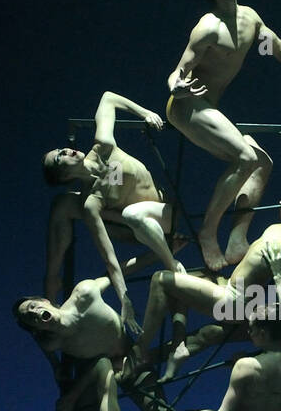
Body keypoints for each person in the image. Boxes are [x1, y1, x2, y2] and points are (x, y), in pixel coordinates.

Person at [166, 0, 281, 271]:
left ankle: (237, 237)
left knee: (261, 163)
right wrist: (176, 87)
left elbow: (279, 51)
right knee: (246, 156)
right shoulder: (208, 28)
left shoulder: (251, 19)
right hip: (185, 106)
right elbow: (177, 71)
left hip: (209, 108)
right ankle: (208, 232)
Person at [132, 204, 281, 366]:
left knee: (161, 280)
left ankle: (140, 352)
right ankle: (178, 347)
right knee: (182, 277)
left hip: (235, 302)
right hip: (230, 287)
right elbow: (272, 245)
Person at [42, 91, 183, 331]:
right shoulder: (91, 202)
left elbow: (108, 98)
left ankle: (168, 259)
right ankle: (173, 265)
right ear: (65, 175)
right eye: (59, 158)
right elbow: (109, 258)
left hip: (166, 213)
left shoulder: (104, 147)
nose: (66, 150)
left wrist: (145, 113)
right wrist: (124, 299)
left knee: (128, 214)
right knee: (111, 213)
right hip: (141, 228)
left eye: (61, 149)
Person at [13, 278, 129, 366]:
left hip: (133, 346)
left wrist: (146, 259)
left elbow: (111, 274)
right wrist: (56, 367)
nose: (34, 312)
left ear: (45, 301)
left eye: (33, 306)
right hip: (116, 370)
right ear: (36, 328)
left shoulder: (84, 294)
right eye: (30, 317)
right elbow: (40, 341)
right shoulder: (52, 343)